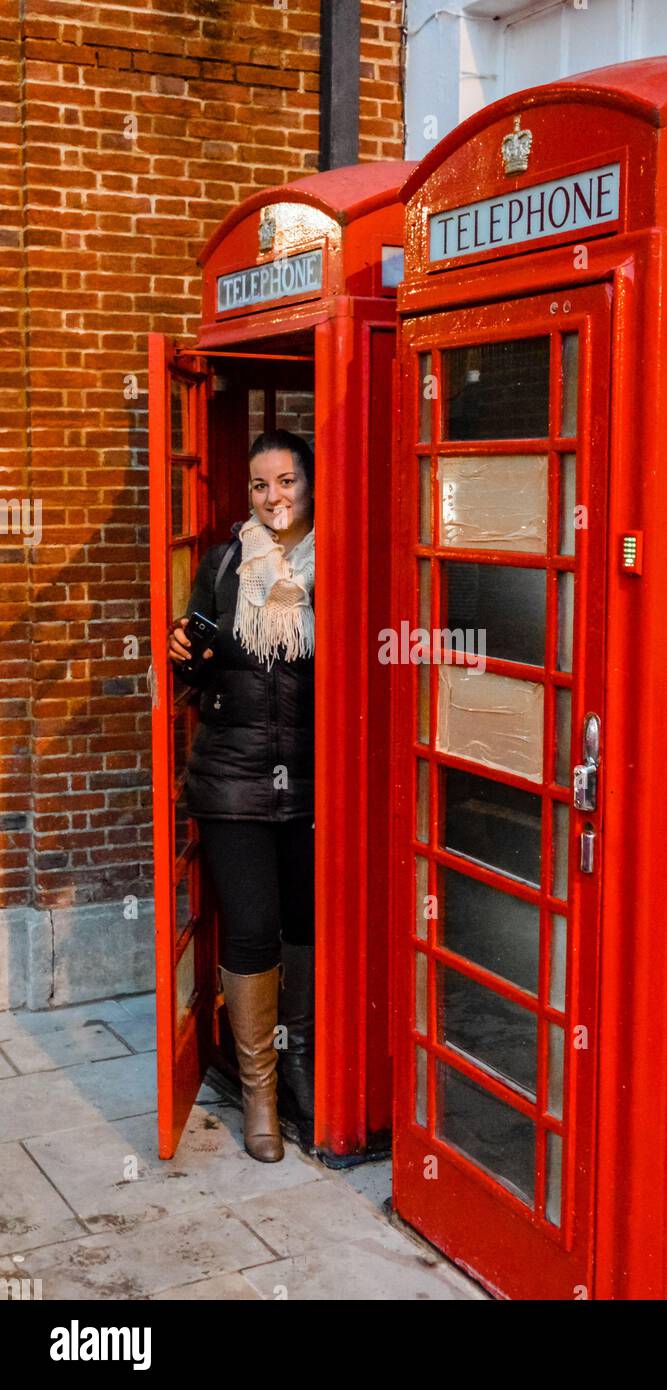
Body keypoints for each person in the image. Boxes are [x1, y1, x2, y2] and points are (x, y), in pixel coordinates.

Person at [168, 429, 316, 1163]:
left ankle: (300, 1064)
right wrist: (184, 652)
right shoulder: (226, 564)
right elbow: (187, 679)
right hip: (231, 781)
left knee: (309, 927)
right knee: (253, 928)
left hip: (319, 781)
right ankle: (259, 1091)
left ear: (310, 484)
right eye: (260, 486)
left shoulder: (338, 564)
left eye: (285, 481)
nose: (273, 497)